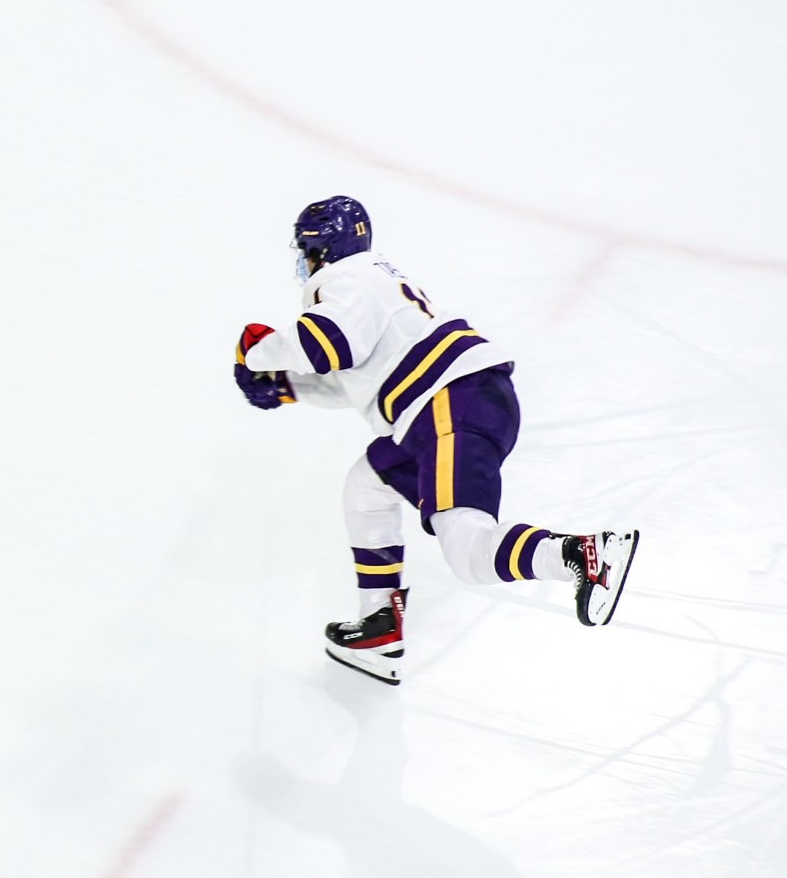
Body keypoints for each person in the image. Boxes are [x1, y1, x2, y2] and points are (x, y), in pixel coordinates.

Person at [232, 195, 639, 684]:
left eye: (306, 249)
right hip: (443, 406)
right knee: (368, 484)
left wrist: (261, 352)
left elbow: (328, 345)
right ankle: (381, 624)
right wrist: (284, 387)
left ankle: (581, 555)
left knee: (468, 551)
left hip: (448, 403)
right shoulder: (373, 283)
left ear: (323, 247)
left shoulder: (348, 278)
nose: (305, 261)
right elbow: (350, 375)